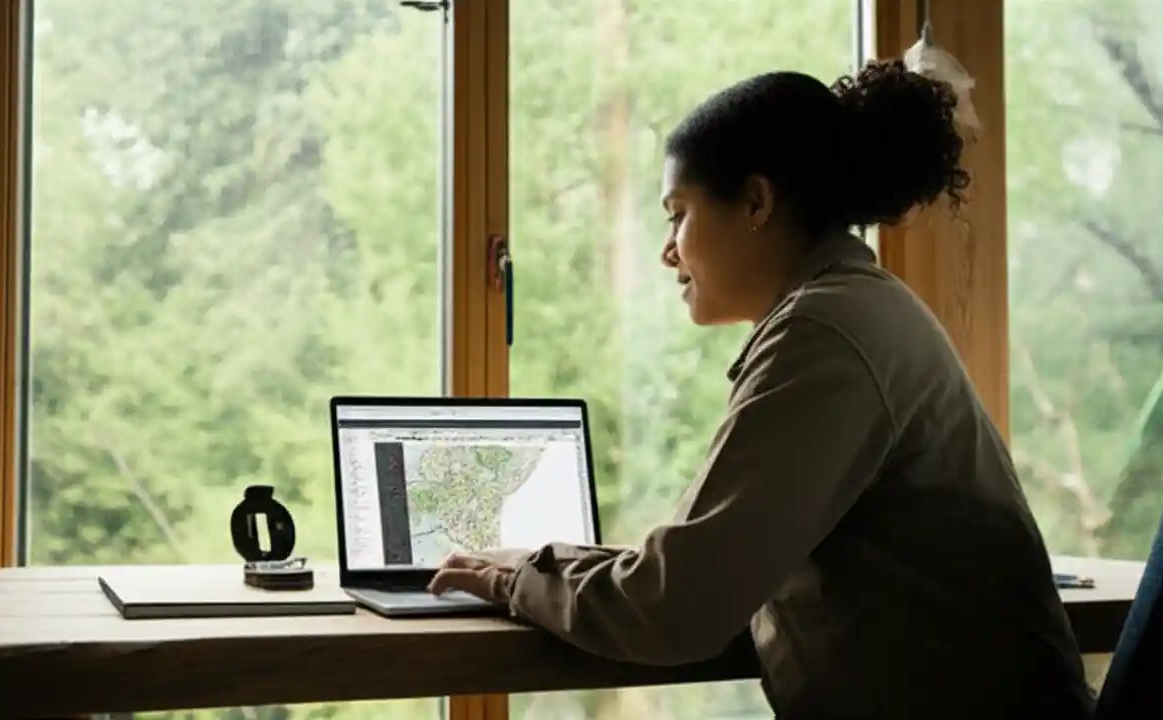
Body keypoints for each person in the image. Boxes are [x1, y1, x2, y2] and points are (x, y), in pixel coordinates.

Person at [429, 60, 1092, 718]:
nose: (669, 251)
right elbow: (703, 569)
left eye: (677, 214)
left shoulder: (825, 331)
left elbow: (675, 608)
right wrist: (542, 568)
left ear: (755, 203)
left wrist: (517, 581)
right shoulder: (860, 308)